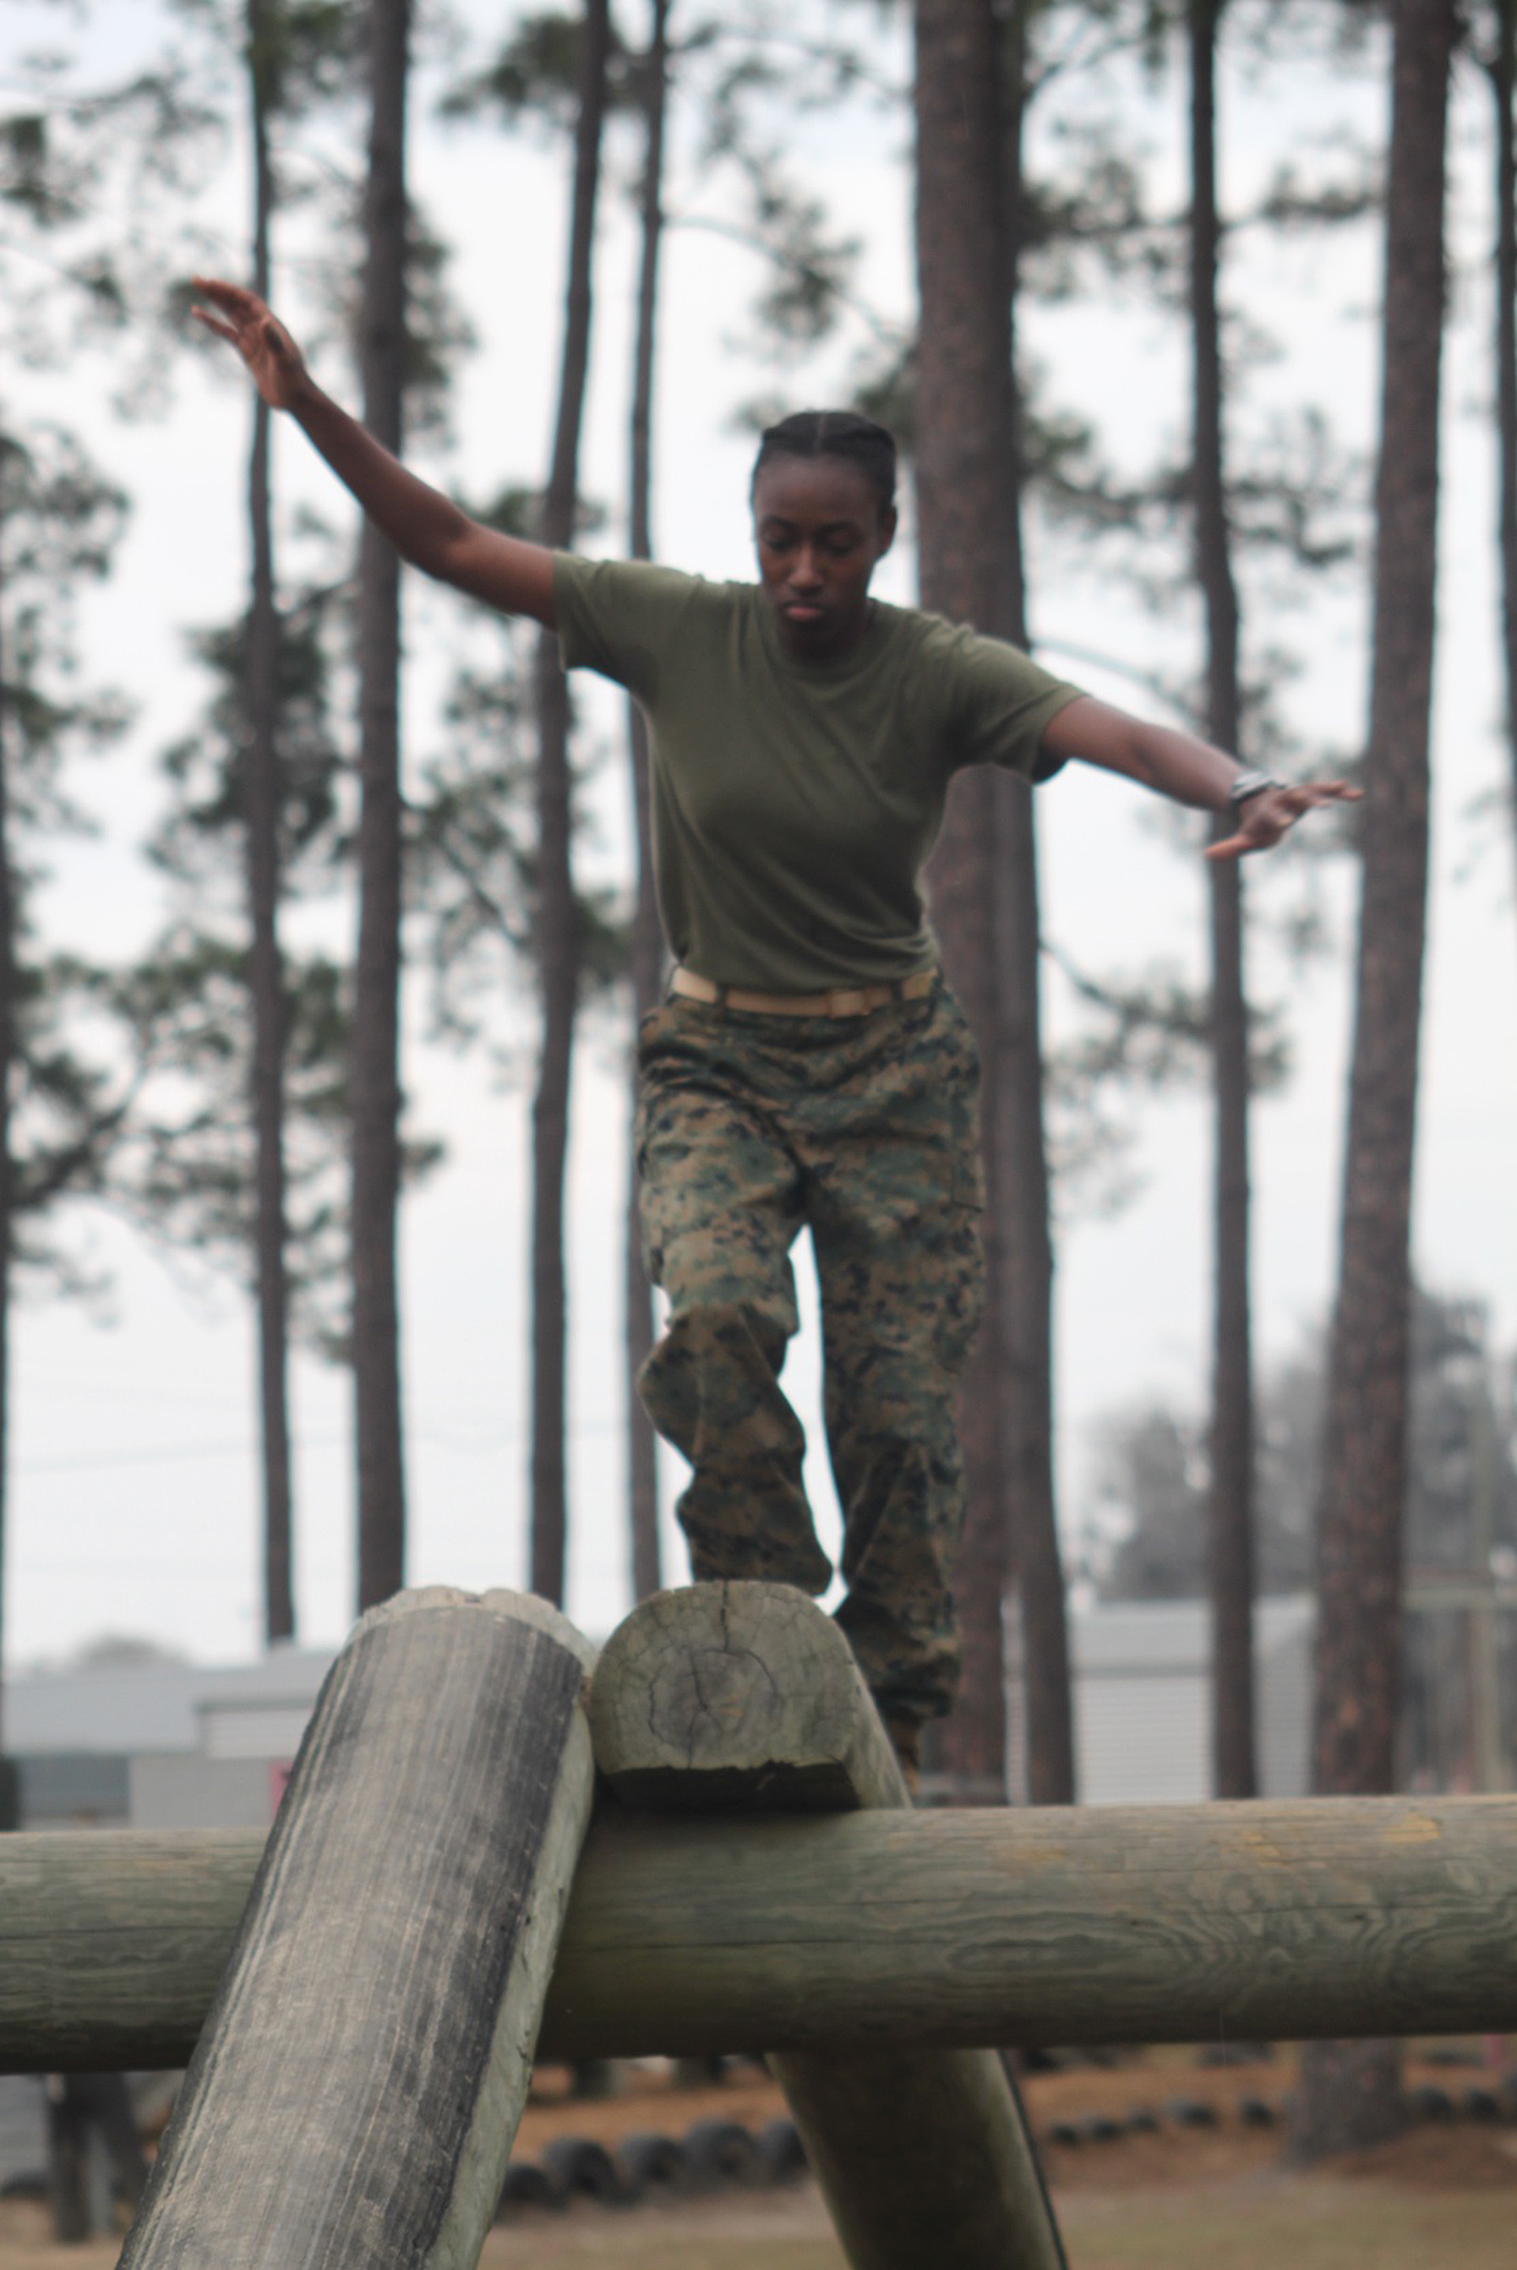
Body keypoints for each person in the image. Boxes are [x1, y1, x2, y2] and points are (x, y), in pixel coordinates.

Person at [191, 278, 1358, 1774]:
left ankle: (897, 1710)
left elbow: (1108, 728)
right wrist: (311, 409)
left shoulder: (934, 671)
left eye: (838, 542)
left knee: (895, 1417)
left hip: (895, 1077)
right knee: (718, 1316)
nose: (806, 569)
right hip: (716, 1062)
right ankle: (759, 1641)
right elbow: (450, 542)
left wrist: (1235, 784)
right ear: (751, 537)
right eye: (780, 540)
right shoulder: (677, 629)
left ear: (881, 541)